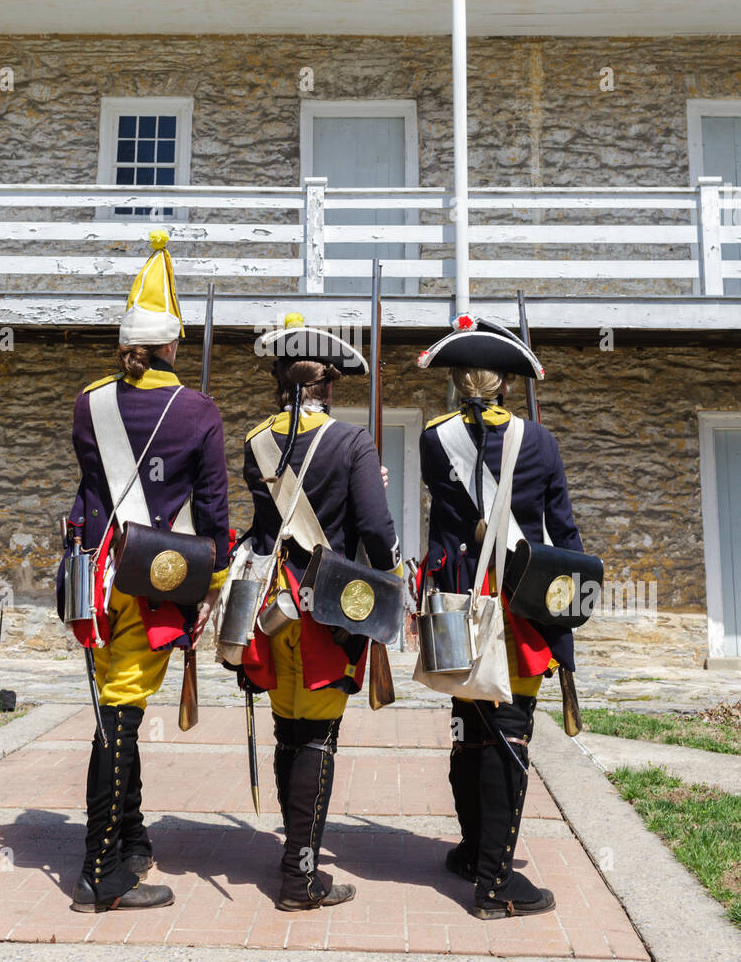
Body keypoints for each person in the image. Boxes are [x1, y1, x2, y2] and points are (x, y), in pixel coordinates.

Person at [57, 232, 229, 912]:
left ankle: (129, 838)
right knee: (121, 717)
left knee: (113, 706)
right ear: (172, 345)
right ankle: (103, 871)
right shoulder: (197, 410)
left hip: (97, 575)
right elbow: (213, 515)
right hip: (158, 579)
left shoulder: (87, 401)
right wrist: (212, 587)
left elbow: (90, 487)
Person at [232, 313, 402, 911]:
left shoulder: (257, 442)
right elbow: (377, 533)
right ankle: (300, 879)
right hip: (327, 605)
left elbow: (262, 525)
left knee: (288, 729)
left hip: (269, 603)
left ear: (280, 381)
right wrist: (393, 566)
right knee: (319, 737)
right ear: (328, 385)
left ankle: (294, 864)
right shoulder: (352, 441)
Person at [418, 313, 584, 920]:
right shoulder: (539, 441)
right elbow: (563, 537)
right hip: (517, 609)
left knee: (469, 729)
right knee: (507, 734)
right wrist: (565, 629)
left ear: (459, 380)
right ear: (507, 383)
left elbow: (443, 528)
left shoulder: (433, 438)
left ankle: (471, 849)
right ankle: (494, 882)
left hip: (460, 603)